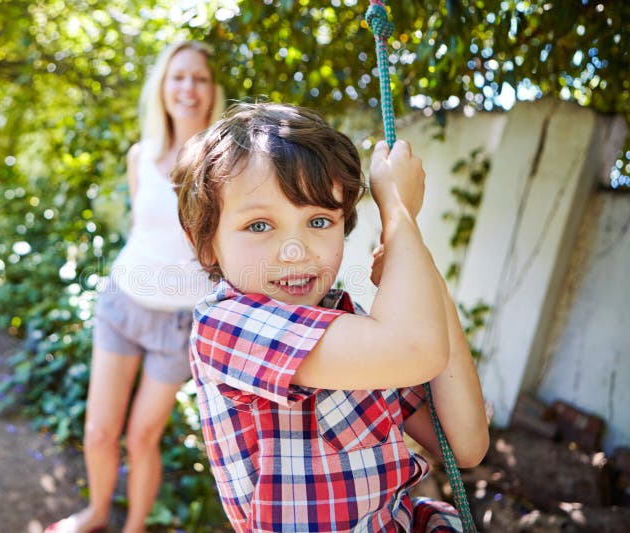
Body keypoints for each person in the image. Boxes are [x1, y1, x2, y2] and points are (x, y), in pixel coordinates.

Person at [171, 102, 489, 532]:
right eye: (260, 226)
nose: (295, 250)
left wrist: (420, 265)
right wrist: (398, 213)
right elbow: (414, 349)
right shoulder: (225, 327)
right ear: (206, 244)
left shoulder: (355, 326)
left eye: (319, 220)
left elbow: (464, 443)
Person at [45, 41, 225, 533]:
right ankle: (96, 514)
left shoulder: (225, 165)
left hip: (180, 322)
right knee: (100, 431)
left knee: (142, 438)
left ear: (212, 91)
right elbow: (142, 231)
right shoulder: (140, 155)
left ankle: (135, 527)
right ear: (163, 86)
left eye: (200, 78)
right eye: (178, 76)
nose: (188, 87)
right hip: (122, 305)